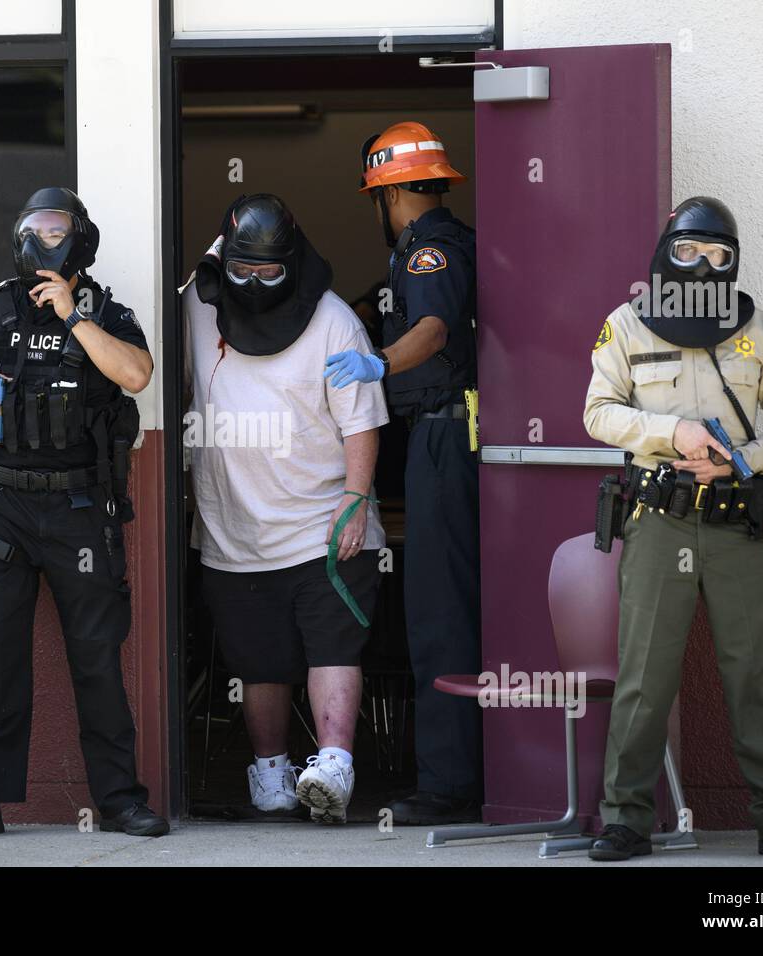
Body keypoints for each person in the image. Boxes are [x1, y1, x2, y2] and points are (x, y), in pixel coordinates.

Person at [583, 196, 763, 862]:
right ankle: (625, 819)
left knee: (755, 674)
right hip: (659, 521)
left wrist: (742, 460)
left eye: (718, 255)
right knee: (644, 676)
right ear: (667, 249)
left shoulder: (760, 331)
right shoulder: (627, 327)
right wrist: (674, 433)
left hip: (734, 526)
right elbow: (599, 412)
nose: (702, 265)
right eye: (689, 250)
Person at [0, 186, 167, 839]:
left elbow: (137, 375)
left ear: (80, 239)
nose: (44, 237)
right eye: (35, 225)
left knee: (96, 658)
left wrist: (72, 316)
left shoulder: (105, 312)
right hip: (1, 505)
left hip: (79, 507)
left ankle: (119, 800)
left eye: (57, 226)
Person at [184, 193, 387, 822]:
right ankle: (270, 773)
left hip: (322, 523)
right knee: (258, 660)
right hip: (231, 528)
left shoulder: (333, 321)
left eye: (270, 272)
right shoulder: (196, 302)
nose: (253, 282)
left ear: (293, 262)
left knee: (333, 647)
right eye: (242, 268)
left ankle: (333, 767)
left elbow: (361, 421)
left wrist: (355, 501)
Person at [326, 122, 482, 825]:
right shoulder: (441, 245)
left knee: (438, 612)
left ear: (387, 195)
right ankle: (466, 775)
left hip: (446, 440)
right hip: (453, 437)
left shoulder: (430, 251)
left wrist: (379, 363)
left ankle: (449, 785)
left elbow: (435, 332)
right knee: (451, 608)